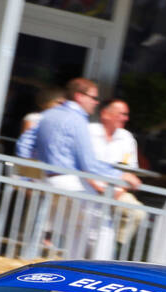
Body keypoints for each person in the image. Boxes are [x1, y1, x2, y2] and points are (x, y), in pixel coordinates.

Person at [33, 78, 141, 257]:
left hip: (52, 181)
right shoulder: (79, 121)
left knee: (79, 232)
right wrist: (119, 177)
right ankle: (102, 271)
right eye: (93, 97)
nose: (96, 102)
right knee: (103, 228)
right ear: (79, 96)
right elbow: (87, 164)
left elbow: (25, 146)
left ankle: (72, 269)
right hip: (74, 184)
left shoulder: (48, 115)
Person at [89, 99, 144, 249]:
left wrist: (119, 192)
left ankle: (118, 247)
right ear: (105, 114)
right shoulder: (89, 131)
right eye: (121, 114)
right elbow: (82, 165)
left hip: (115, 193)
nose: (126, 118)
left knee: (137, 212)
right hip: (85, 188)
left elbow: (130, 173)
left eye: (126, 115)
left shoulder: (127, 138)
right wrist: (96, 187)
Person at [15, 87, 64, 159]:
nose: (62, 106)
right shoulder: (34, 118)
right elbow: (26, 145)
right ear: (46, 102)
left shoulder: (63, 122)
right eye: (59, 102)